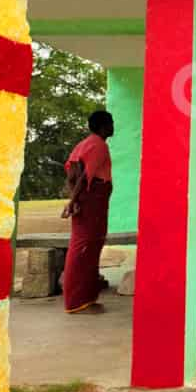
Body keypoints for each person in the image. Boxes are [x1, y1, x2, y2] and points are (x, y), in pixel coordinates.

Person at [61, 110, 115, 314]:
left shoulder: (84, 144)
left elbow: (72, 172)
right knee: (84, 248)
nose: (112, 127)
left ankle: (86, 298)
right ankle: (76, 302)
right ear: (102, 127)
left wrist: (74, 198)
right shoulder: (99, 145)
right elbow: (83, 176)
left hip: (88, 199)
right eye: (110, 124)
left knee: (89, 246)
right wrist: (72, 200)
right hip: (92, 199)